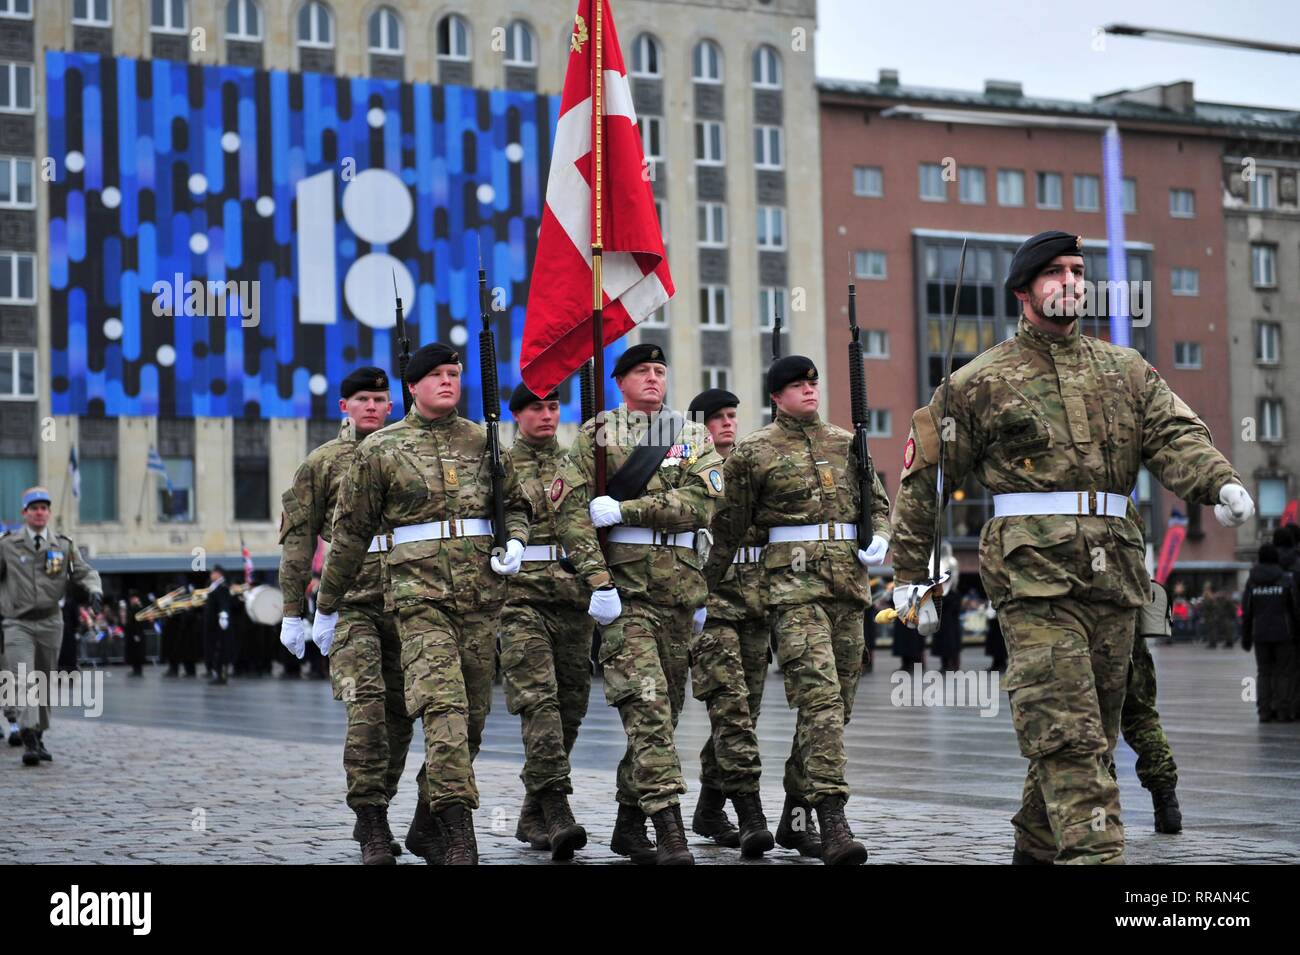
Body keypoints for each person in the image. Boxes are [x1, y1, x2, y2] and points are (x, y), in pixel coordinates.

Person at [889, 230, 1255, 865]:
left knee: (1094, 734)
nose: (1071, 282)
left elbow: (1174, 435)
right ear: (1024, 290)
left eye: (1078, 271)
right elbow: (928, 482)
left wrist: (1218, 480)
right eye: (1055, 272)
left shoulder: (1126, 370)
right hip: (1033, 578)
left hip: (1114, 574)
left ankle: (1034, 851)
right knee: (1069, 736)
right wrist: (908, 576)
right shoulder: (978, 382)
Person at [314, 343, 531, 865]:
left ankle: (426, 821)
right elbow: (349, 535)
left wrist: (517, 541)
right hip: (416, 602)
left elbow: (518, 504)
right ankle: (457, 833)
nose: (447, 382)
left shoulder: (486, 442)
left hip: (479, 602)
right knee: (443, 710)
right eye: (435, 375)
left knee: (473, 720)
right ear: (412, 387)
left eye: (454, 374)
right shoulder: (381, 450)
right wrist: (325, 606)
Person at [704, 355, 891, 865]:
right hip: (791, 592)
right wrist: (701, 593)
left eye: (813, 382)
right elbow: (728, 528)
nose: (809, 390)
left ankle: (794, 814)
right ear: (776, 396)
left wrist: (882, 536)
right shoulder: (753, 452)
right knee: (820, 704)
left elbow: (875, 503)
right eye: (796, 385)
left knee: (838, 710)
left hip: (849, 592)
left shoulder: (848, 443)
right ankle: (832, 820)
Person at [552, 343, 725, 865]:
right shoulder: (598, 434)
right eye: (641, 372)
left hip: (680, 595)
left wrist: (628, 508)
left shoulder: (691, 434)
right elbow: (570, 514)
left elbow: (701, 503)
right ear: (620, 382)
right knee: (648, 711)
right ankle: (669, 828)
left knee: (666, 713)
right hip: (625, 596)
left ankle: (628, 827)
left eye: (659, 370)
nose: (653, 378)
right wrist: (598, 582)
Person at [278, 366, 419, 865]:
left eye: (381, 399)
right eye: (362, 399)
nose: (373, 408)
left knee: (402, 714)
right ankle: (371, 819)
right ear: (344, 407)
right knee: (367, 706)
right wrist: (294, 610)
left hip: (410, 600)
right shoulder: (321, 464)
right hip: (350, 604)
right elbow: (298, 540)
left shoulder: (409, 450)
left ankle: (381, 804)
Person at [499, 386, 592, 860]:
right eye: (536, 406)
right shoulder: (498, 464)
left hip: (575, 602)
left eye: (554, 406)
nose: (547, 414)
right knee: (540, 704)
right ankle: (556, 809)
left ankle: (532, 812)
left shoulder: (578, 461)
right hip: (519, 601)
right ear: (517, 413)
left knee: (571, 711)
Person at [685, 387, 774, 857]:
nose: (727, 423)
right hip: (709, 605)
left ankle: (708, 807)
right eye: (716, 417)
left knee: (745, 715)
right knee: (732, 711)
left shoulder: (752, 467)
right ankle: (751, 812)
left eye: (732, 415)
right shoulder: (686, 469)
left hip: (754, 607)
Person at [0, 487, 104, 766]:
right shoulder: (7, 545)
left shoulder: (62, 545)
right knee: (23, 678)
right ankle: (29, 736)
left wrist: (94, 590)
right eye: (34, 508)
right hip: (17, 622)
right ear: (24, 513)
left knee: (44, 680)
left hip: (49, 621)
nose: (39, 512)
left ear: (49, 513)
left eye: (44, 508)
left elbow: (85, 572)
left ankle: (39, 732)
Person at [1120, 579, 1182, 832]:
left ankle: (1101, 812)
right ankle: (1167, 804)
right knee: (1142, 717)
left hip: (1082, 633)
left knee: (1092, 724)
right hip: (1129, 630)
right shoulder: (1126, 538)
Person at [1241, 544, 1299, 723]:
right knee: (1283, 673)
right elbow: (1294, 609)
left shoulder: (1252, 581)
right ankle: (1283, 710)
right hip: (1283, 633)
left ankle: (1264, 711)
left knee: (1263, 672)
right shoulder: (1285, 580)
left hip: (1260, 634)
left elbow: (1247, 610)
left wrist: (1246, 636)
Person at [202, 565, 234, 685]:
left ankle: (221, 675)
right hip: (213, 625)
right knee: (215, 649)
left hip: (218, 625)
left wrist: (223, 615)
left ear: (219, 574)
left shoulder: (222, 587)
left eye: (213, 573)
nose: (211, 575)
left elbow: (224, 603)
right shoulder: (215, 587)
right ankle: (218, 673)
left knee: (220, 649)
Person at [123, 593, 146, 677]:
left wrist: (137, 634)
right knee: (134, 653)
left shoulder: (138, 609)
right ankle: (135, 669)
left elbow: (138, 623)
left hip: (136, 634)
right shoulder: (134, 608)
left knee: (137, 653)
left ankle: (138, 670)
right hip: (133, 634)